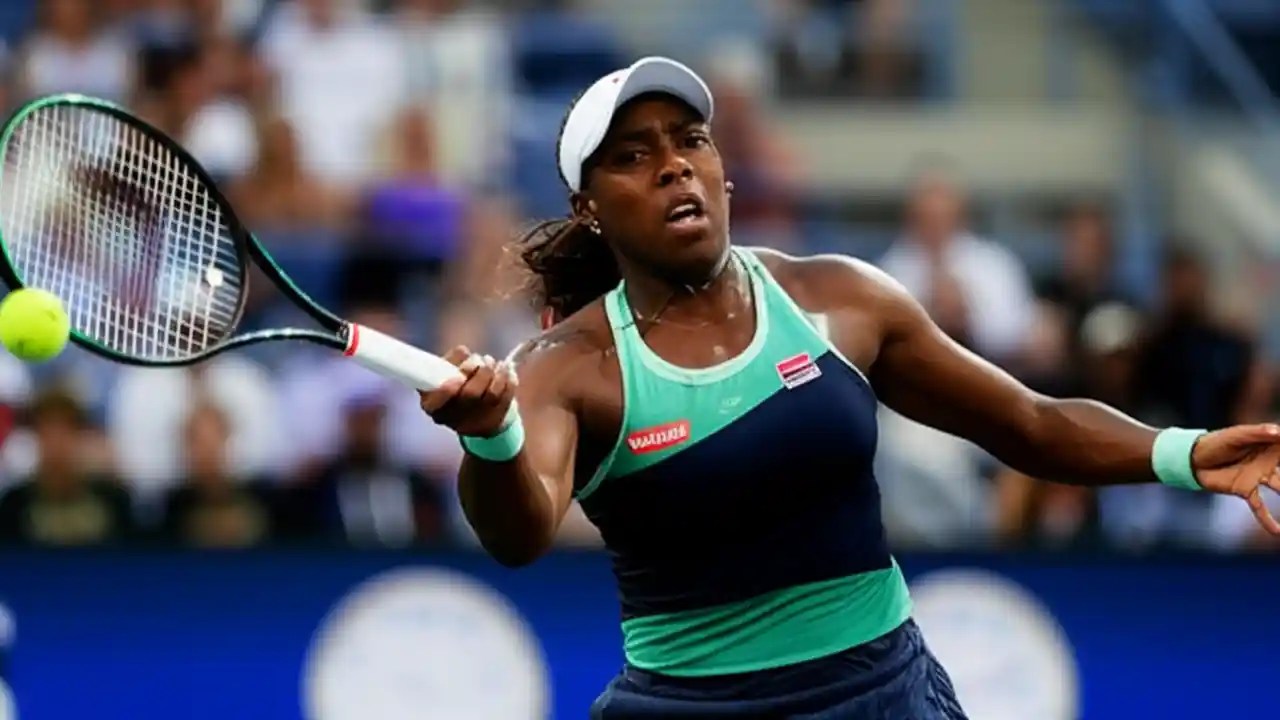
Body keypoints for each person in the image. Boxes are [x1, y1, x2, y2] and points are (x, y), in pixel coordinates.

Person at [417, 57, 1280, 719]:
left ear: (723, 171)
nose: (674, 167)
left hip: (882, 693)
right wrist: (491, 437)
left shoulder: (841, 298)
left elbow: (1026, 421)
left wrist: (1187, 453)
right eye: (634, 157)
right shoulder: (565, 367)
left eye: (691, 141)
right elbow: (519, 533)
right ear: (589, 208)